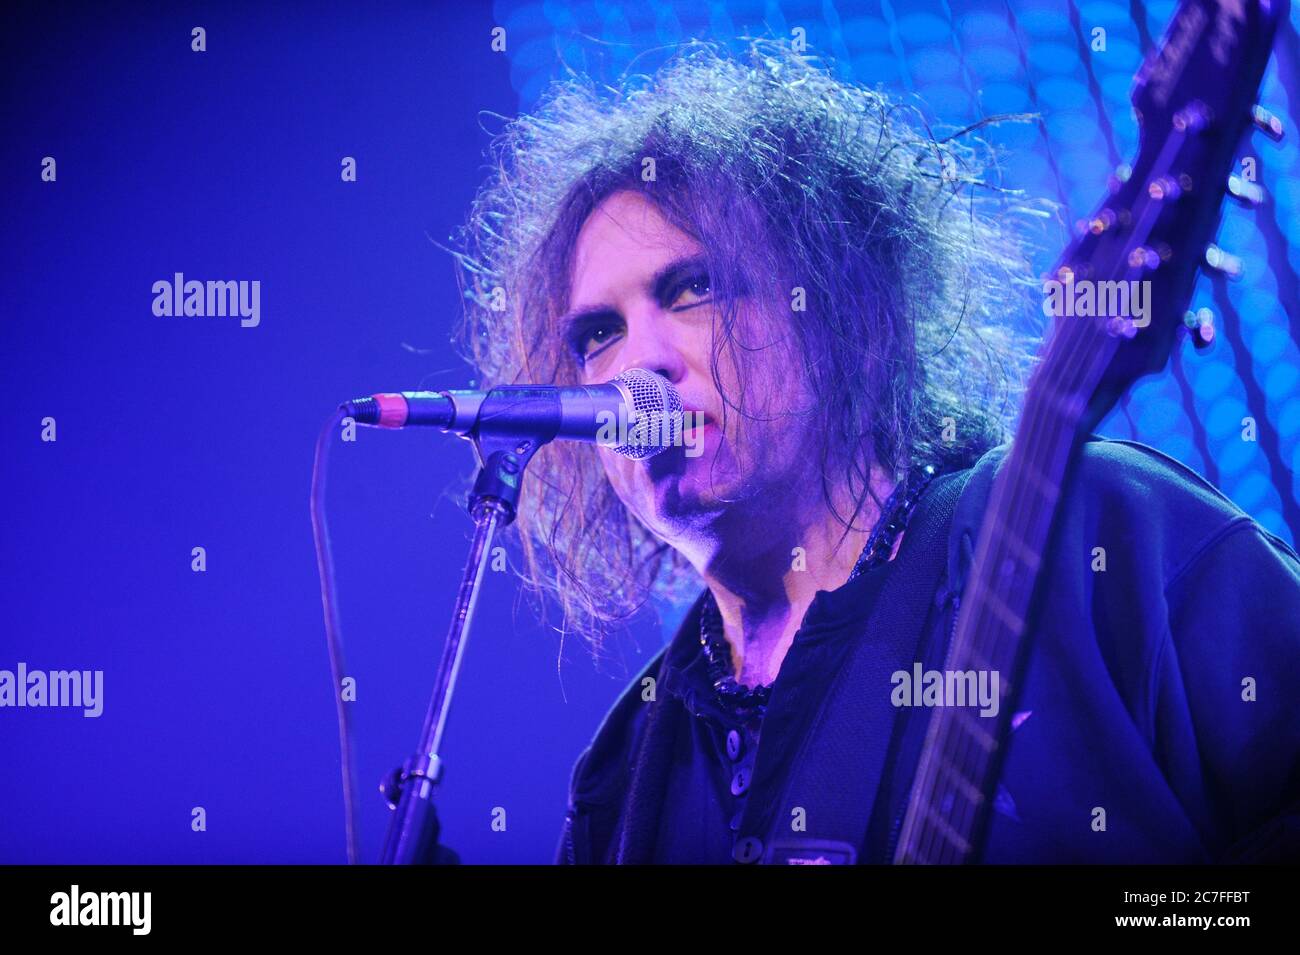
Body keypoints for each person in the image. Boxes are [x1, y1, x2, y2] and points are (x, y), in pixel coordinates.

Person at [452, 42, 1300, 864]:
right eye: (599, 333)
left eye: (694, 286)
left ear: (847, 316)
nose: (639, 360)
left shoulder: (1094, 532)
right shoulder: (628, 772)